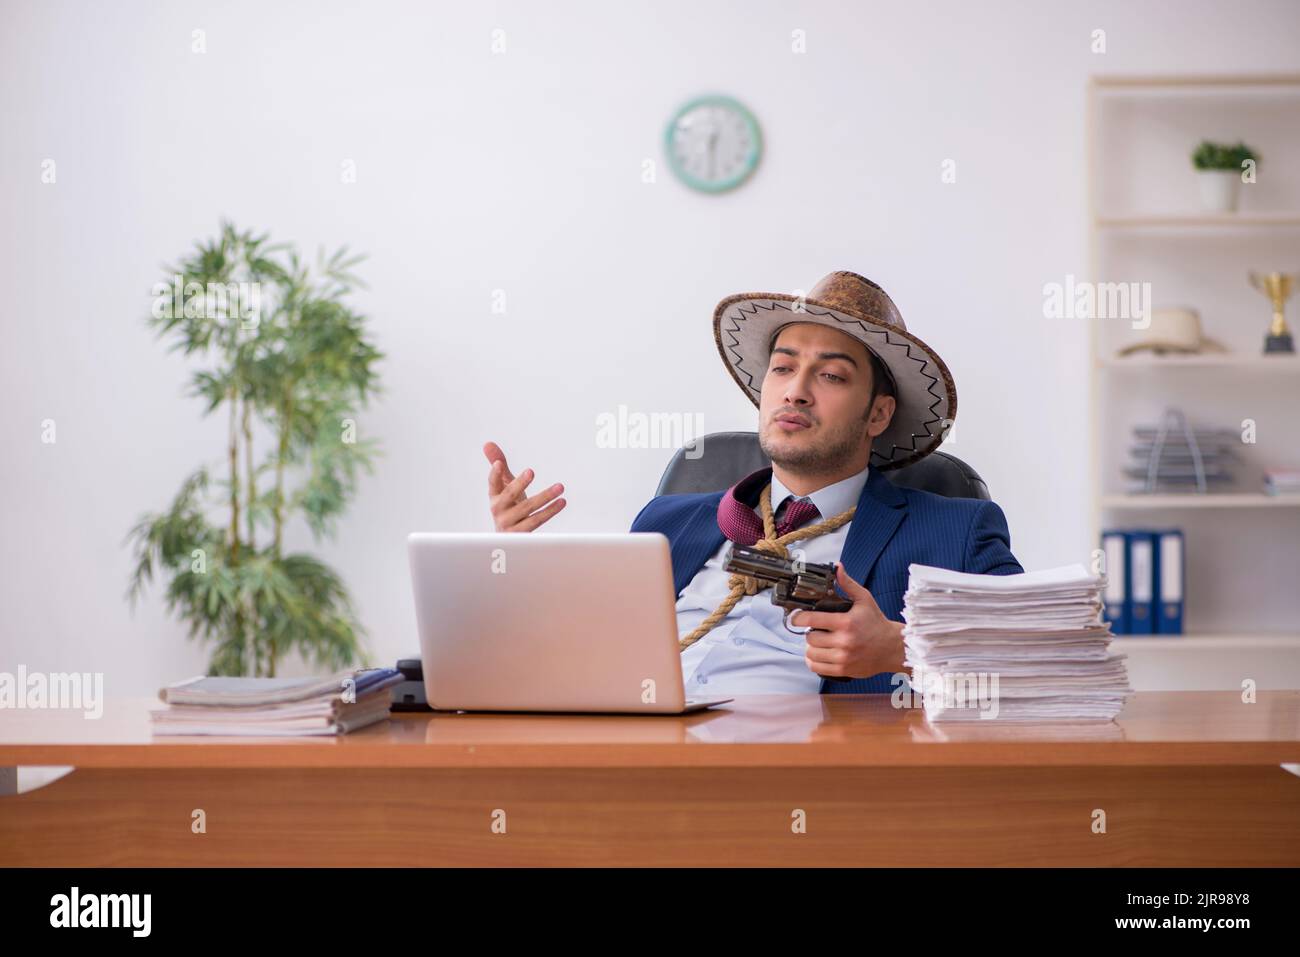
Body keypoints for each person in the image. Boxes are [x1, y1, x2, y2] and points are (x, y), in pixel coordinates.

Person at [484, 270, 1023, 695]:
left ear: (879, 415)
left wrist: (902, 652)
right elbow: (591, 653)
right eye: (783, 368)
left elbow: (1047, 660)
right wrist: (519, 569)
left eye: (831, 375)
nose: (796, 392)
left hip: (802, 791)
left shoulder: (956, 528)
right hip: (636, 757)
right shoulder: (666, 523)